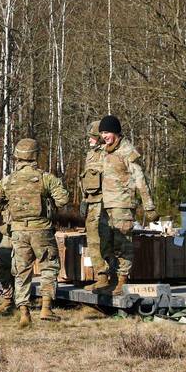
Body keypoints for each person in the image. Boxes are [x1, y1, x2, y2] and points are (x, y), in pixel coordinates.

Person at [0, 137, 70, 327]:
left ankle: (24, 312)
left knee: (21, 271)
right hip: (42, 230)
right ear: (35, 156)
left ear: (17, 157)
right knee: (49, 267)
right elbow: (63, 200)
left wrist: (9, 205)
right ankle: (46, 308)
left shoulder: (8, 181)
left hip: (17, 231)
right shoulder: (45, 178)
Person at [88, 114, 156, 295]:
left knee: (122, 243)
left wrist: (149, 206)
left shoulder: (127, 151)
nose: (105, 136)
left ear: (116, 132)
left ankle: (122, 280)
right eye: (102, 132)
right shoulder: (104, 151)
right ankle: (111, 279)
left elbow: (140, 179)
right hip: (105, 206)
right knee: (105, 244)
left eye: (108, 132)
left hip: (123, 205)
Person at [80, 120, 105, 283]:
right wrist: (84, 200)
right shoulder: (90, 155)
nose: (89, 140)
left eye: (92, 137)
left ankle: (113, 276)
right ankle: (101, 276)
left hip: (105, 203)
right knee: (93, 239)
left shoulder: (108, 154)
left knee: (107, 239)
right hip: (91, 203)